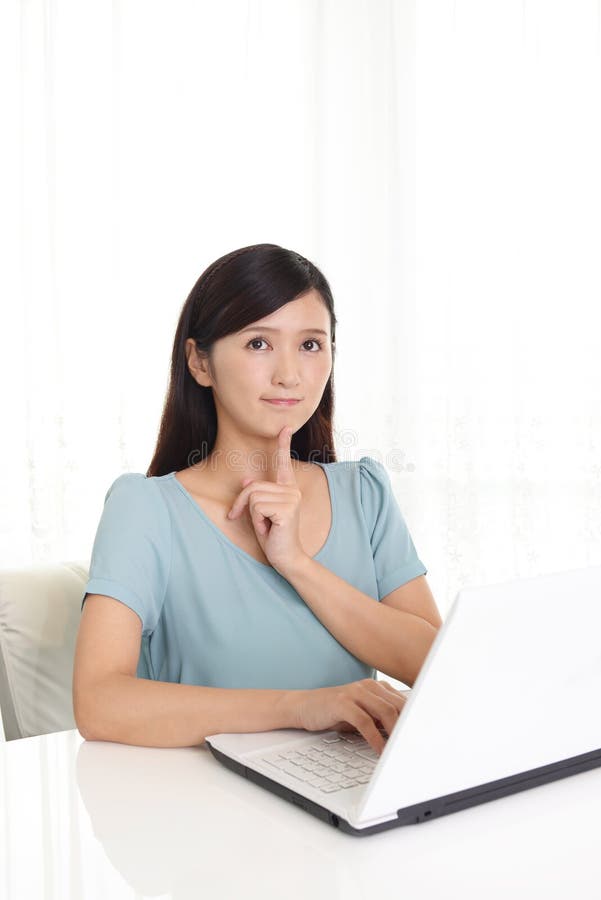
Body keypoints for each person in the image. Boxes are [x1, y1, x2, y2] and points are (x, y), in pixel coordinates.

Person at [72, 243, 443, 756]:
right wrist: (300, 707)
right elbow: (98, 703)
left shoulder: (364, 492)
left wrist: (296, 564)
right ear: (200, 362)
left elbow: (437, 667)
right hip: (205, 811)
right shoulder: (146, 509)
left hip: (347, 802)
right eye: (258, 344)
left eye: (311, 345)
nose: (289, 374)